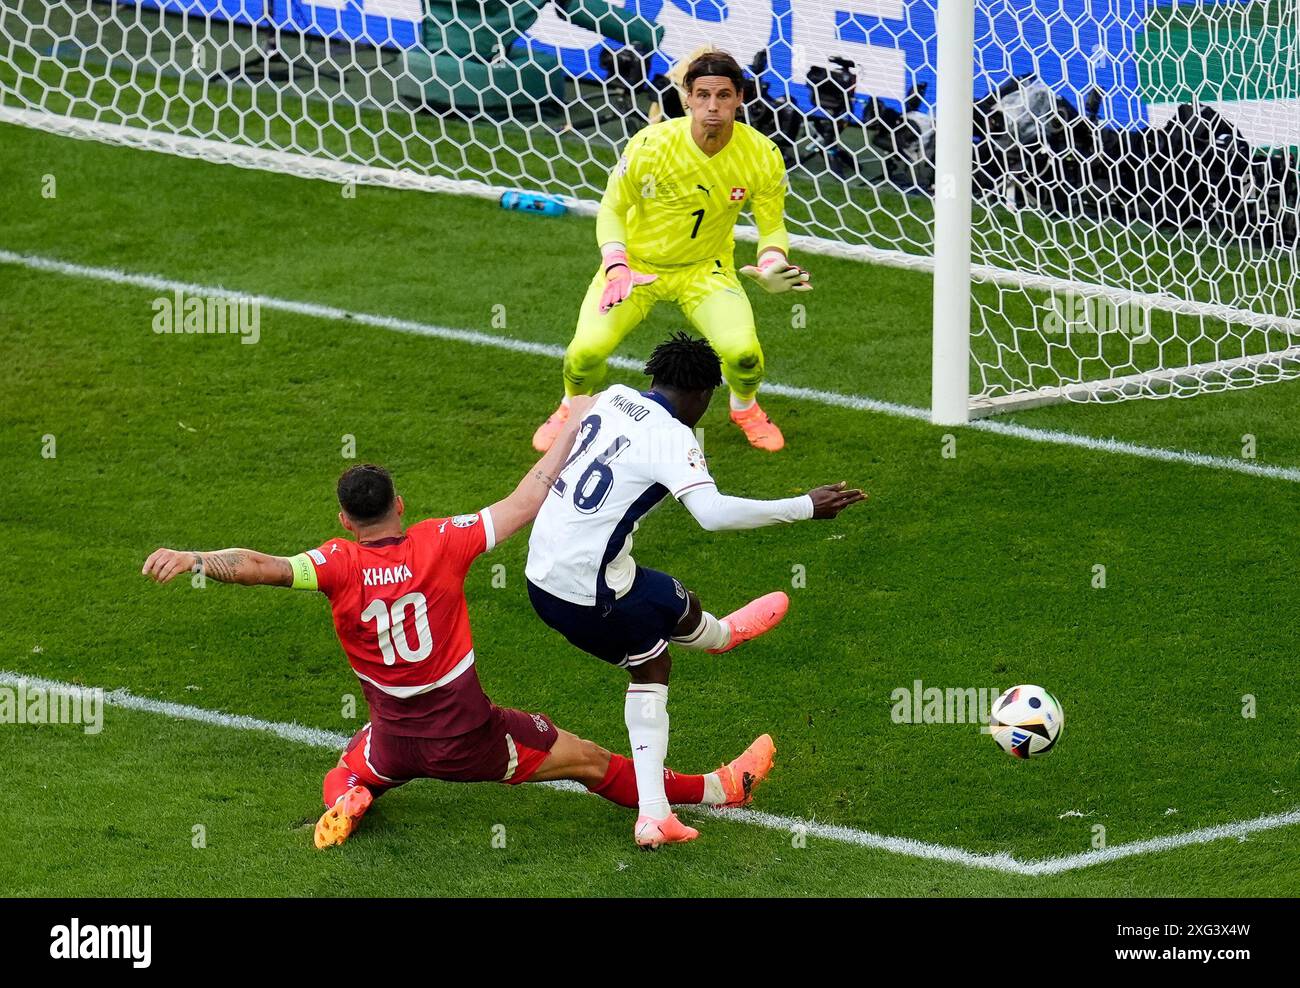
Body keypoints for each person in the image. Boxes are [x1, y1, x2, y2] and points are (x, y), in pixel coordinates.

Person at [141, 422, 776, 850]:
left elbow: (258, 565)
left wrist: (195, 558)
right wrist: (573, 430)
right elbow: (526, 500)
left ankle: (353, 797)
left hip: (395, 742)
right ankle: (718, 789)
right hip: (472, 740)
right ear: (400, 504)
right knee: (588, 759)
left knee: (348, 765)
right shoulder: (441, 541)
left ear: (344, 520)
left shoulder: (333, 563)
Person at [526, 333, 866, 848]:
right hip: (590, 591)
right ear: (704, 394)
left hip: (542, 574)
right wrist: (804, 506)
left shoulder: (613, 396)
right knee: (652, 664)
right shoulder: (672, 435)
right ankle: (655, 815)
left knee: (670, 599)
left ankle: (721, 636)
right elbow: (711, 514)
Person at [531, 48, 813, 456]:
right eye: (703, 95)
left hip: (705, 271)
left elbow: (772, 226)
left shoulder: (762, 155)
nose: (712, 106)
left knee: (745, 355)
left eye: (723, 95)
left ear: (740, 98)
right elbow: (612, 209)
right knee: (584, 354)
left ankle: (745, 408)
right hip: (635, 270)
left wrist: (773, 262)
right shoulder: (651, 145)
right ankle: (569, 409)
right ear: (687, 98)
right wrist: (616, 265)